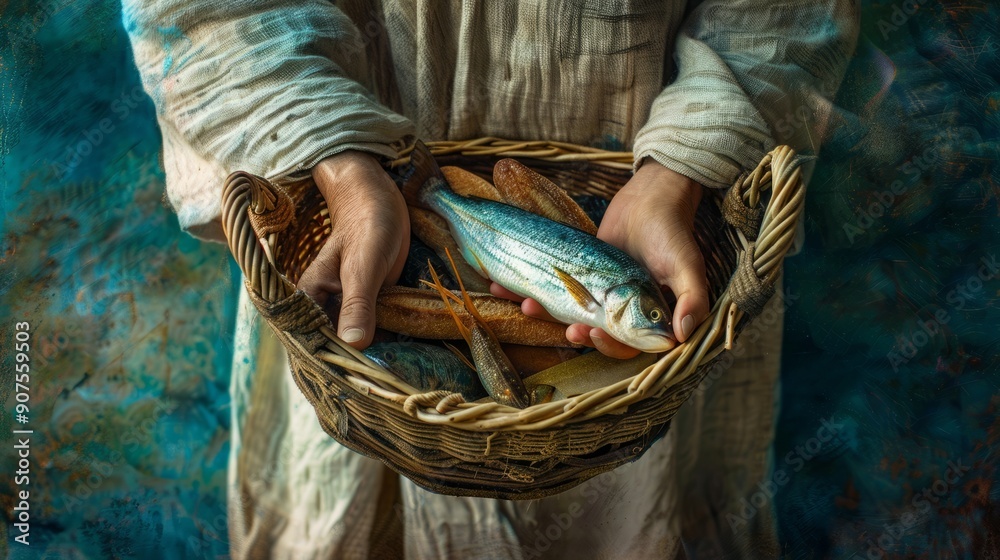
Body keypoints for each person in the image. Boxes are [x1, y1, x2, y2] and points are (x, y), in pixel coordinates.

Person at [124, 1, 857, 557]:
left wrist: (679, 174)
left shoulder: (650, 306)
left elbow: (789, 12)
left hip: (668, 223)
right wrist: (345, 168)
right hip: (340, 222)